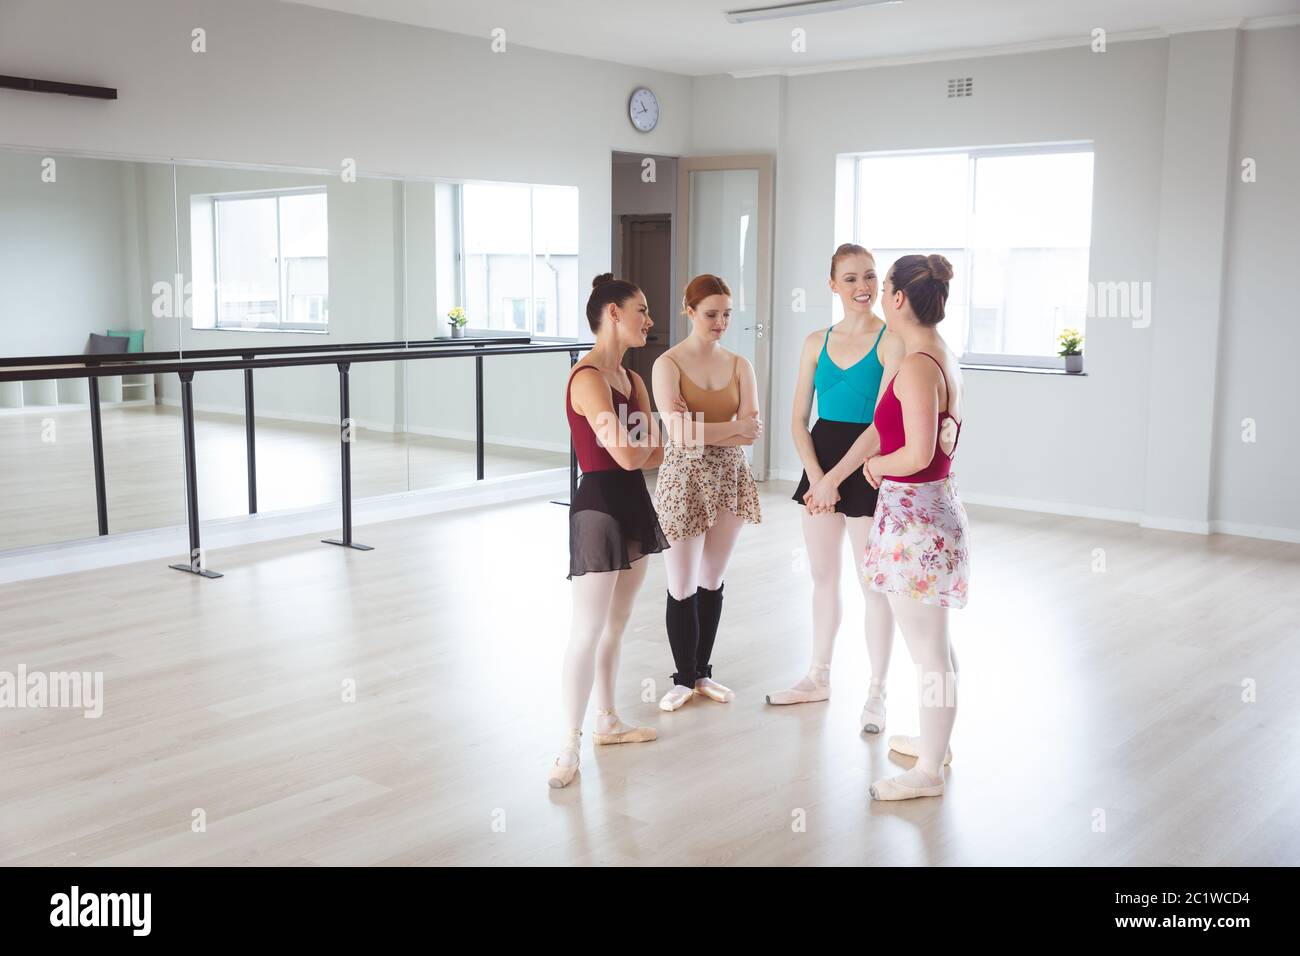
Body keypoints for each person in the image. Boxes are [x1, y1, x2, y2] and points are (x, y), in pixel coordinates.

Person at [769, 244, 902, 739]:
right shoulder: (814, 342)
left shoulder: (892, 342)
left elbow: (878, 425)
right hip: (820, 459)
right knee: (823, 577)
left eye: (869, 276)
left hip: (864, 465)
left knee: (874, 584)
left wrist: (832, 480)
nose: (862, 286)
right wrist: (815, 474)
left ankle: (877, 691)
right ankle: (818, 676)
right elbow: (798, 419)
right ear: (832, 285)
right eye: (850, 278)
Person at [550, 274, 670, 789]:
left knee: (617, 625)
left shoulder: (633, 381)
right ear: (613, 314)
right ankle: (568, 746)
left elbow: (652, 453)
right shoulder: (588, 378)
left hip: (633, 503)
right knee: (587, 629)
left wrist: (642, 446)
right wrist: (644, 446)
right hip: (598, 505)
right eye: (641, 309)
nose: (649, 319)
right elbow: (628, 453)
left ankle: (608, 720)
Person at [860, 254, 970, 801]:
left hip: (917, 519)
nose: (880, 296)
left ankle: (928, 771)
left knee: (928, 649)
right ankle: (936, 744)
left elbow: (918, 452)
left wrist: (877, 466)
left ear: (899, 298)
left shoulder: (919, 364)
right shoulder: (939, 356)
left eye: (883, 288)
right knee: (936, 645)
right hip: (928, 512)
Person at [651, 274, 762, 712]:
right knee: (681, 584)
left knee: (711, 580)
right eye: (712, 314)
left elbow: (751, 432)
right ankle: (681, 677)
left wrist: (708, 429)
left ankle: (701, 673)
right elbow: (677, 432)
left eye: (727, 315)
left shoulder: (740, 365)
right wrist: (732, 427)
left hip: (730, 477)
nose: (720, 322)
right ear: (690, 311)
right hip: (683, 478)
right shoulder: (668, 364)